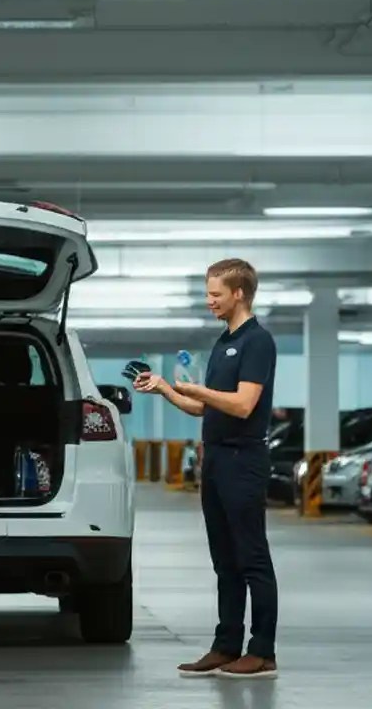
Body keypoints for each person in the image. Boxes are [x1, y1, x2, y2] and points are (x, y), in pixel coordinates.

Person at [134, 258, 280, 680]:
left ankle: (263, 650)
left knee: (252, 557)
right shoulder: (222, 342)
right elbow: (202, 406)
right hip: (215, 458)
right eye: (208, 293)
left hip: (244, 458)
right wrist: (164, 388)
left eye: (216, 293)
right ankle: (226, 644)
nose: (209, 300)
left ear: (239, 293)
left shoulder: (258, 342)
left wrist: (198, 387)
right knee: (224, 559)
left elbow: (242, 404)